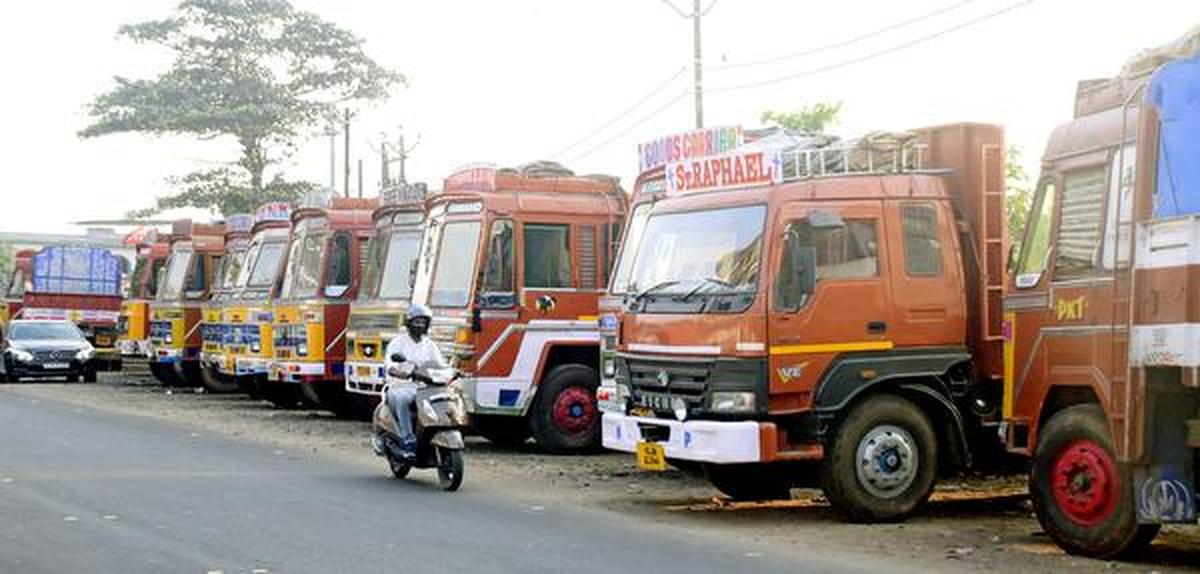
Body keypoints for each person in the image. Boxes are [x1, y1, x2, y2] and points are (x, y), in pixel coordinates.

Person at [382, 304, 452, 459]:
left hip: (424, 387)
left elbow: (441, 364)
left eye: (423, 322)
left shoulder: (429, 344)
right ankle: (407, 439)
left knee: (445, 399)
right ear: (409, 323)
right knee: (403, 399)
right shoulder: (398, 342)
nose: (420, 325)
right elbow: (390, 366)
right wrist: (401, 373)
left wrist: (451, 371)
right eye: (416, 322)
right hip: (400, 386)